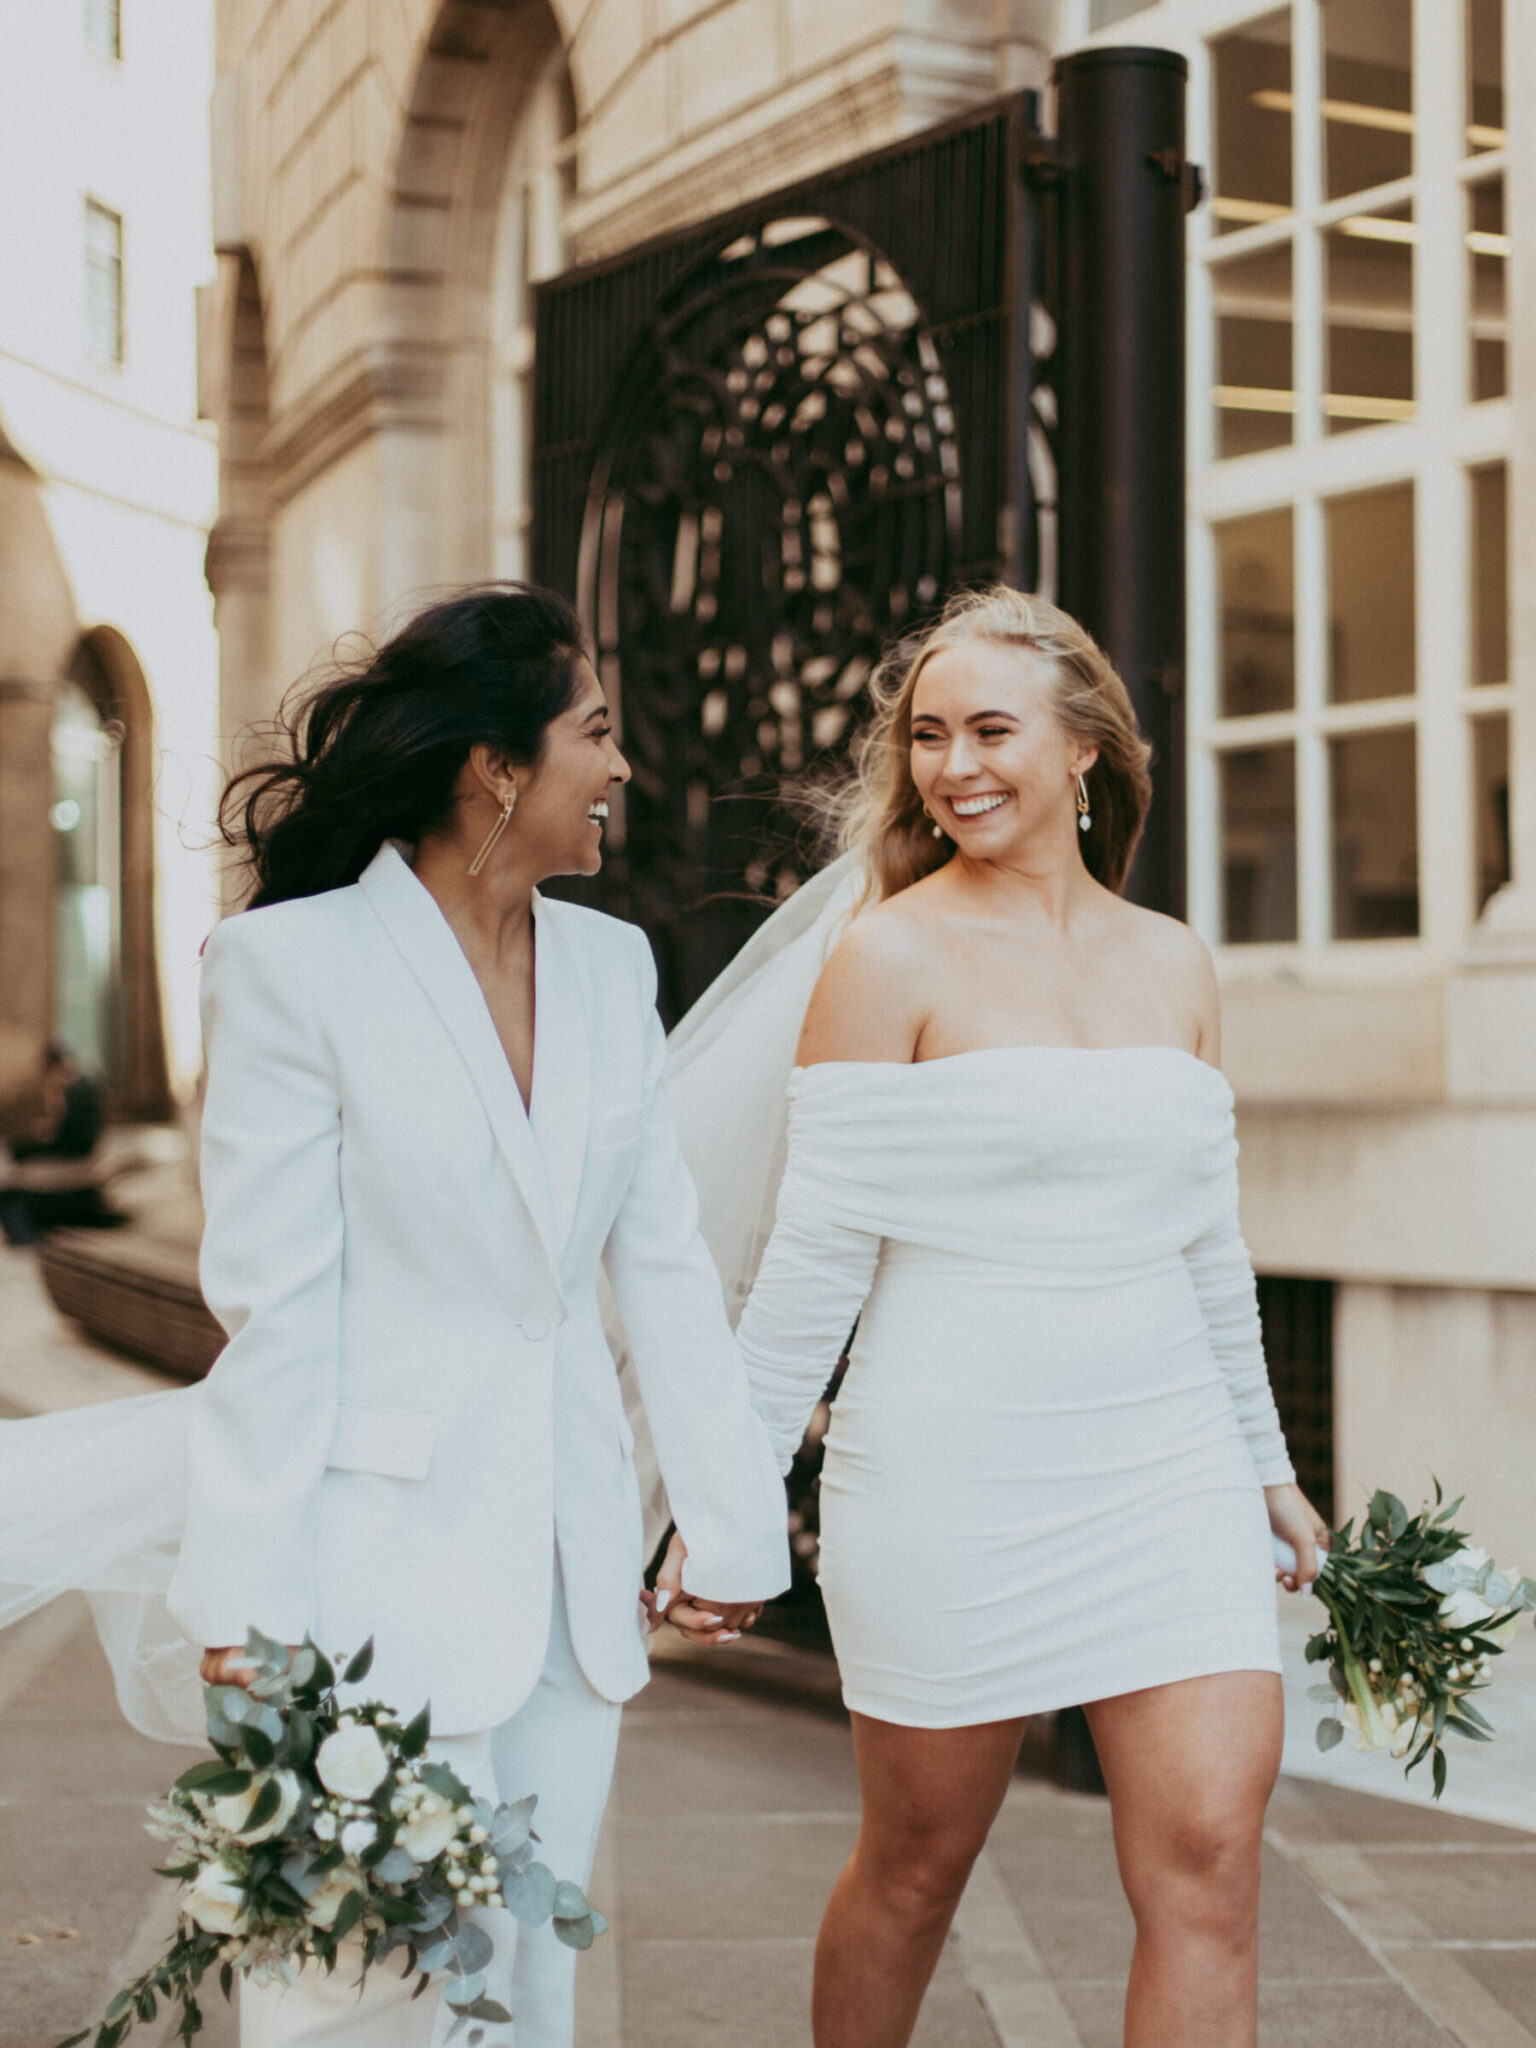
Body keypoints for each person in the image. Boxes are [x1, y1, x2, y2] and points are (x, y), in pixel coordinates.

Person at [0, 584, 789, 2048]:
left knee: (526, 1995)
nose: (623, 770)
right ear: (498, 766)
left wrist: (731, 1520)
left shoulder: (616, 971)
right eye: (596, 735)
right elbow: (276, 1311)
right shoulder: (294, 968)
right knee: (352, 2001)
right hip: (359, 1574)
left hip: (568, 1577)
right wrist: (247, 1598)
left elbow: (661, 1263)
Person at [655, 585, 1328, 2048]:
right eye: (930, 737)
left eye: (992, 731)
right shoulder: (887, 958)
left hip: (1169, 1472)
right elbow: (815, 1267)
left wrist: (1267, 1469)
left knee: (1211, 1866)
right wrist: (732, 1499)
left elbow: (1212, 1250)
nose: (955, 766)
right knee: (915, 1871)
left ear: (1086, 748)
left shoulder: (1174, 961)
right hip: (949, 1473)